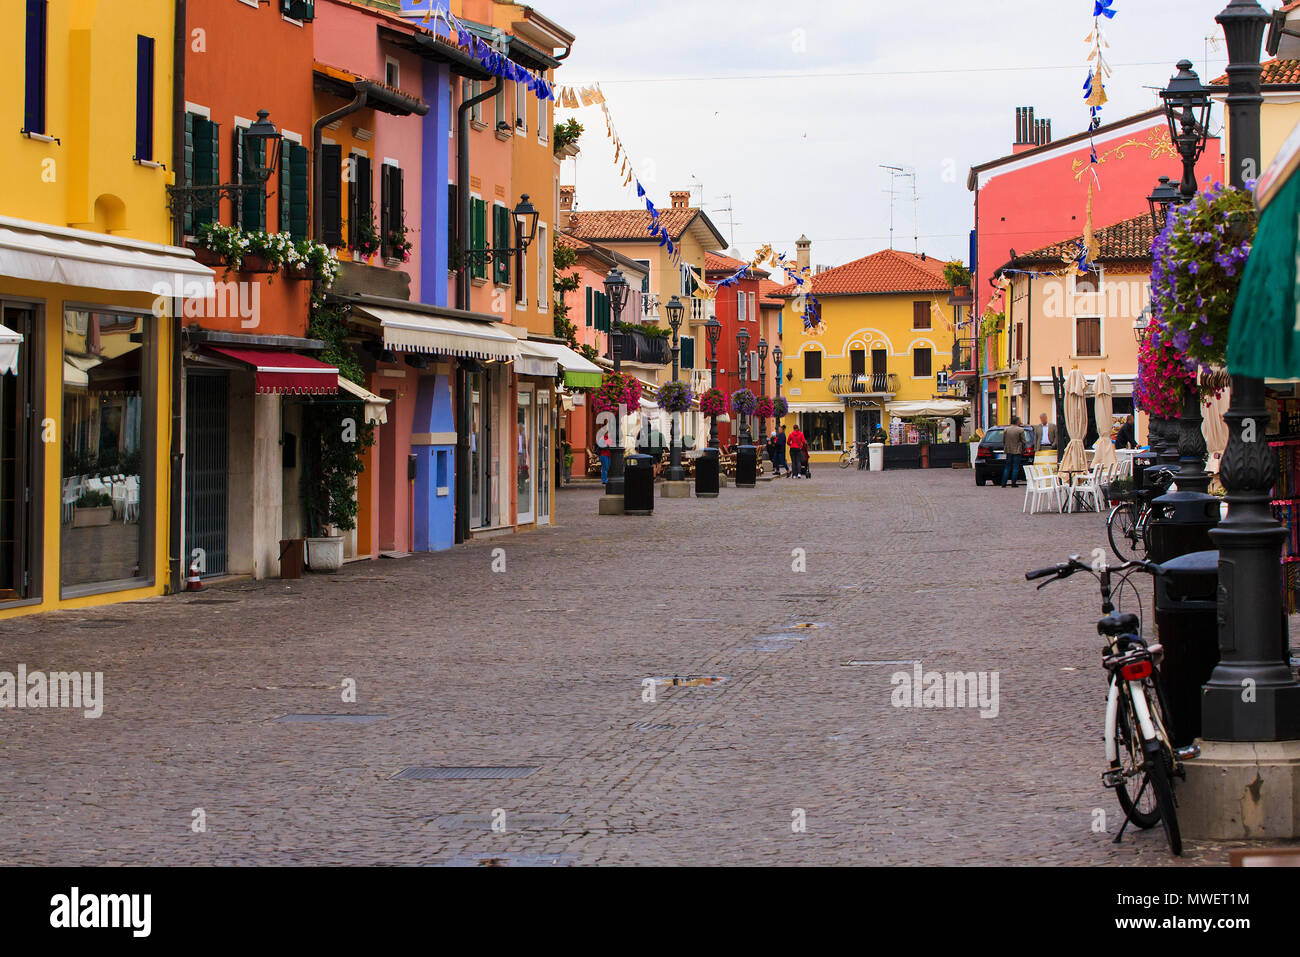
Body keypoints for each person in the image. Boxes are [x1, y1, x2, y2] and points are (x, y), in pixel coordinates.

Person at [1002, 416, 1026, 489]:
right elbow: (1024, 441)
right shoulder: (1020, 430)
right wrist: (1022, 447)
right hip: (1017, 450)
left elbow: (1003, 440)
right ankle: (1013, 483)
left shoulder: (1006, 429)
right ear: (1017, 422)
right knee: (1015, 467)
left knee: (1007, 467)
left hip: (1008, 450)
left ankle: (1004, 483)